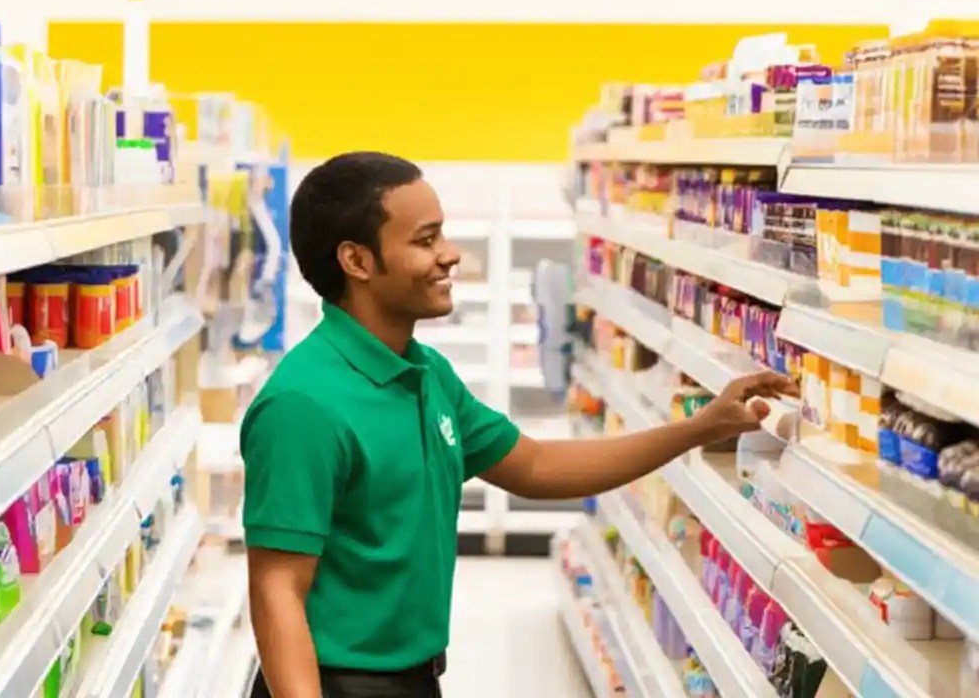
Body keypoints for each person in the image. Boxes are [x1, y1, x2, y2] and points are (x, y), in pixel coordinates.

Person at [240, 152, 797, 698]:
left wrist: (701, 428)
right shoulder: (304, 405)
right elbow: (276, 589)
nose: (450, 255)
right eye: (425, 239)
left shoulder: (426, 373)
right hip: (332, 683)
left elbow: (536, 465)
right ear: (357, 261)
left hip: (412, 678)